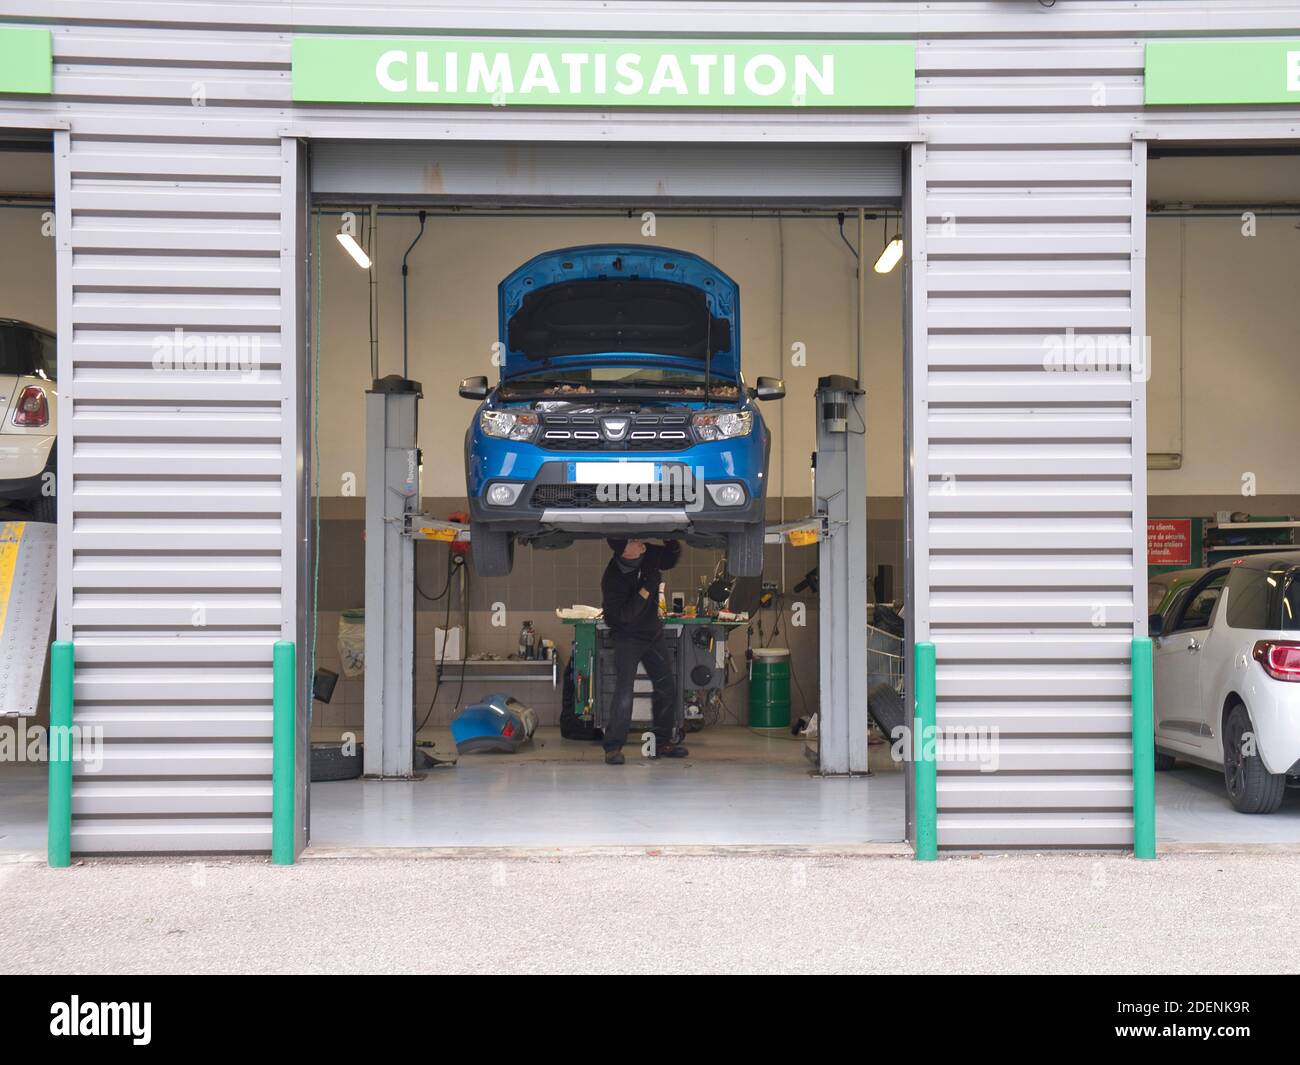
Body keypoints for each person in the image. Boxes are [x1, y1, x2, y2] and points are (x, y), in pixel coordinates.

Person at [600, 537, 688, 765]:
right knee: (624, 692)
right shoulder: (613, 579)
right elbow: (622, 617)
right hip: (627, 637)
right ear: (625, 551)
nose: (639, 541)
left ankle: (662, 742)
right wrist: (647, 589)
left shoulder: (646, 554)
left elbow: (667, 560)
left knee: (666, 686)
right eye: (632, 540)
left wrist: (673, 544)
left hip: (652, 634)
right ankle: (613, 747)